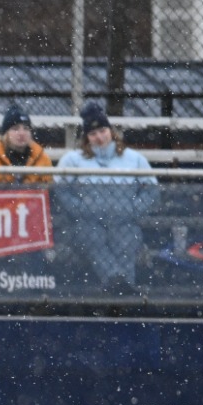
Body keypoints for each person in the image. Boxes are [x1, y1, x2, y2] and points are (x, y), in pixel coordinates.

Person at [54, 101, 158, 291]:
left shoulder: (134, 159)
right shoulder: (72, 160)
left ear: (111, 131)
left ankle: (119, 290)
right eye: (93, 134)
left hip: (124, 222)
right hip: (87, 223)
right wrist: (80, 210)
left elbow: (151, 190)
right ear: (86, 137)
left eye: (103, 131)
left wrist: (133, 210)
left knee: (126, 240)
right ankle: (120, 285)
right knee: (92, 238)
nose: (99, 137)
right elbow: (60, 190)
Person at [0, 104, 52, 184]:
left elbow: (50, 192)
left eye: (26, 128)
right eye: (15, 129)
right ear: (5, 134)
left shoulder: (43, 159)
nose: (21, 133)